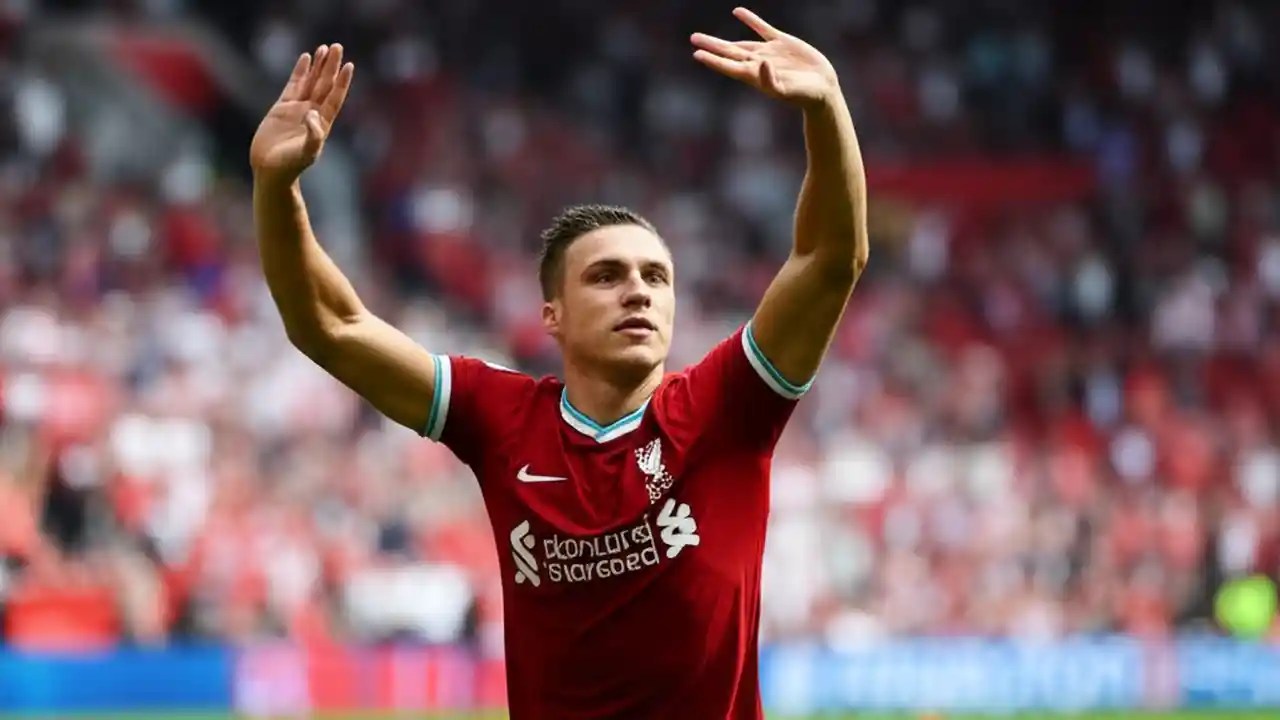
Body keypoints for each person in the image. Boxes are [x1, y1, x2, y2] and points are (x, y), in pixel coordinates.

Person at [249, 7, 867, 719]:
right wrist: (276, 187)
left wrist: (827, 109)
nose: (637, 290)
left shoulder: (728, 410)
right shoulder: (501, 418)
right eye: (606, 276)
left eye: (655, 277)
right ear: (553, 316)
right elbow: (328, 324)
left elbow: (829, 260)